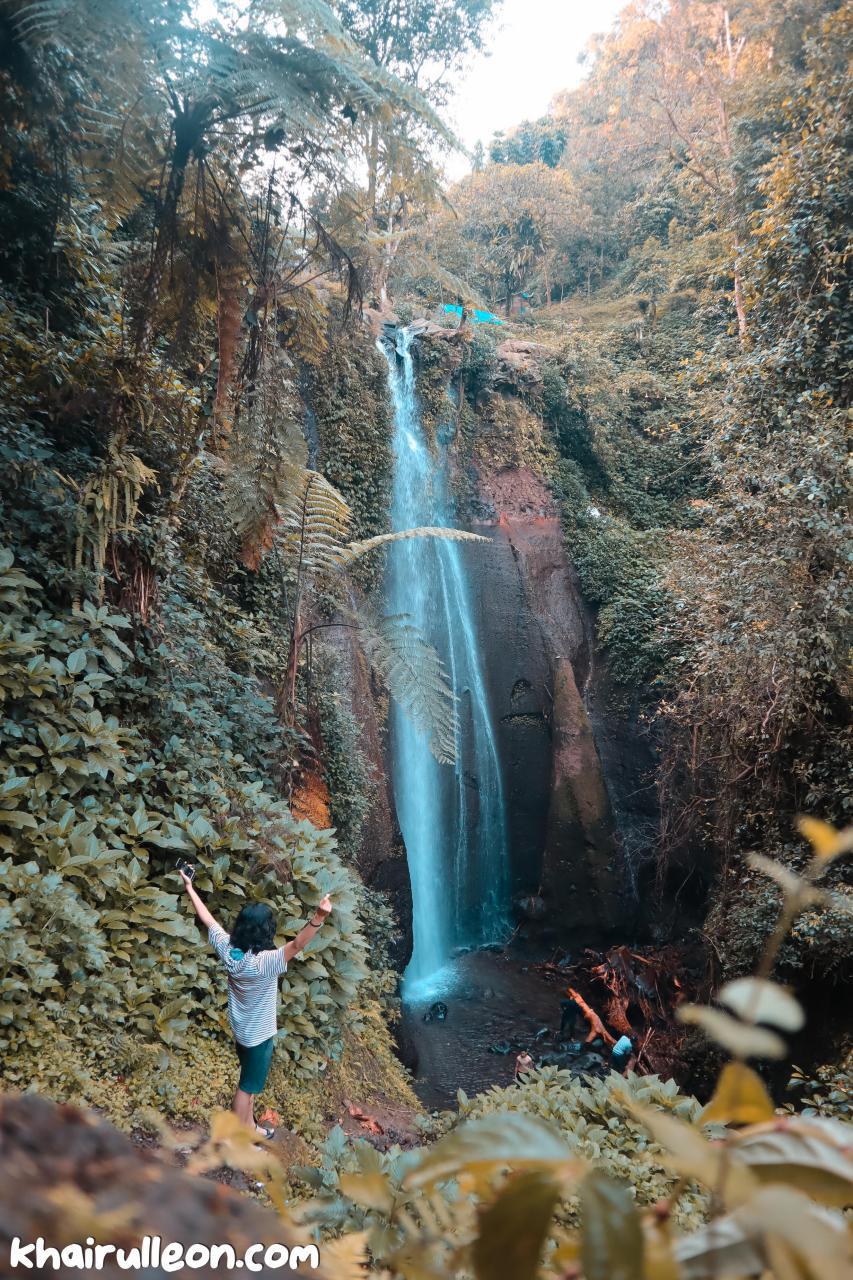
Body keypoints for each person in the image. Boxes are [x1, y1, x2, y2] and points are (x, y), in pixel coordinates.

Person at [179, 868, 332, 1139]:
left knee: (249, 1082)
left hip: (241, 1030)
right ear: (266, 931)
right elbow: (297, 945)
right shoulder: (265, 963)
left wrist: (190, 888)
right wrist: (319, 916)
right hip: (259, 1035)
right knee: (246, 1087)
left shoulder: (228, 949)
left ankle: (250, 1127)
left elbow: (208, 920)